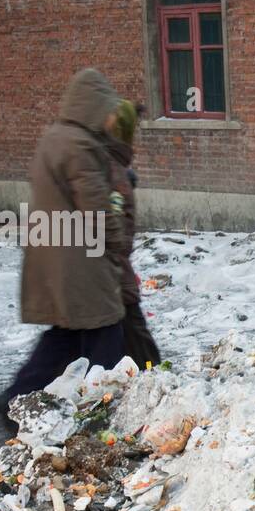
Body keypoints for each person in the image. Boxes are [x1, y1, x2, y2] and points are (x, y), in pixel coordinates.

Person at [0, 68, 127, 422]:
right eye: (109, 109)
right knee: (106, 329)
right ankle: (105, 406)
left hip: (52, 250)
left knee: (67, 333)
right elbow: (96, 208)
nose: (113, 117)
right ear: (94, 107)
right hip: (78, 256)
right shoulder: (81, 146)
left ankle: (17, 396)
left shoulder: (54, 137)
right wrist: (117, 245)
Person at [106, 98, 161, 369]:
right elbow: (109, 224)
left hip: (108, 272)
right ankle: (155, 380)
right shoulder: (111, 170)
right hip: (110, 273)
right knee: (138, 342)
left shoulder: (113, 165)